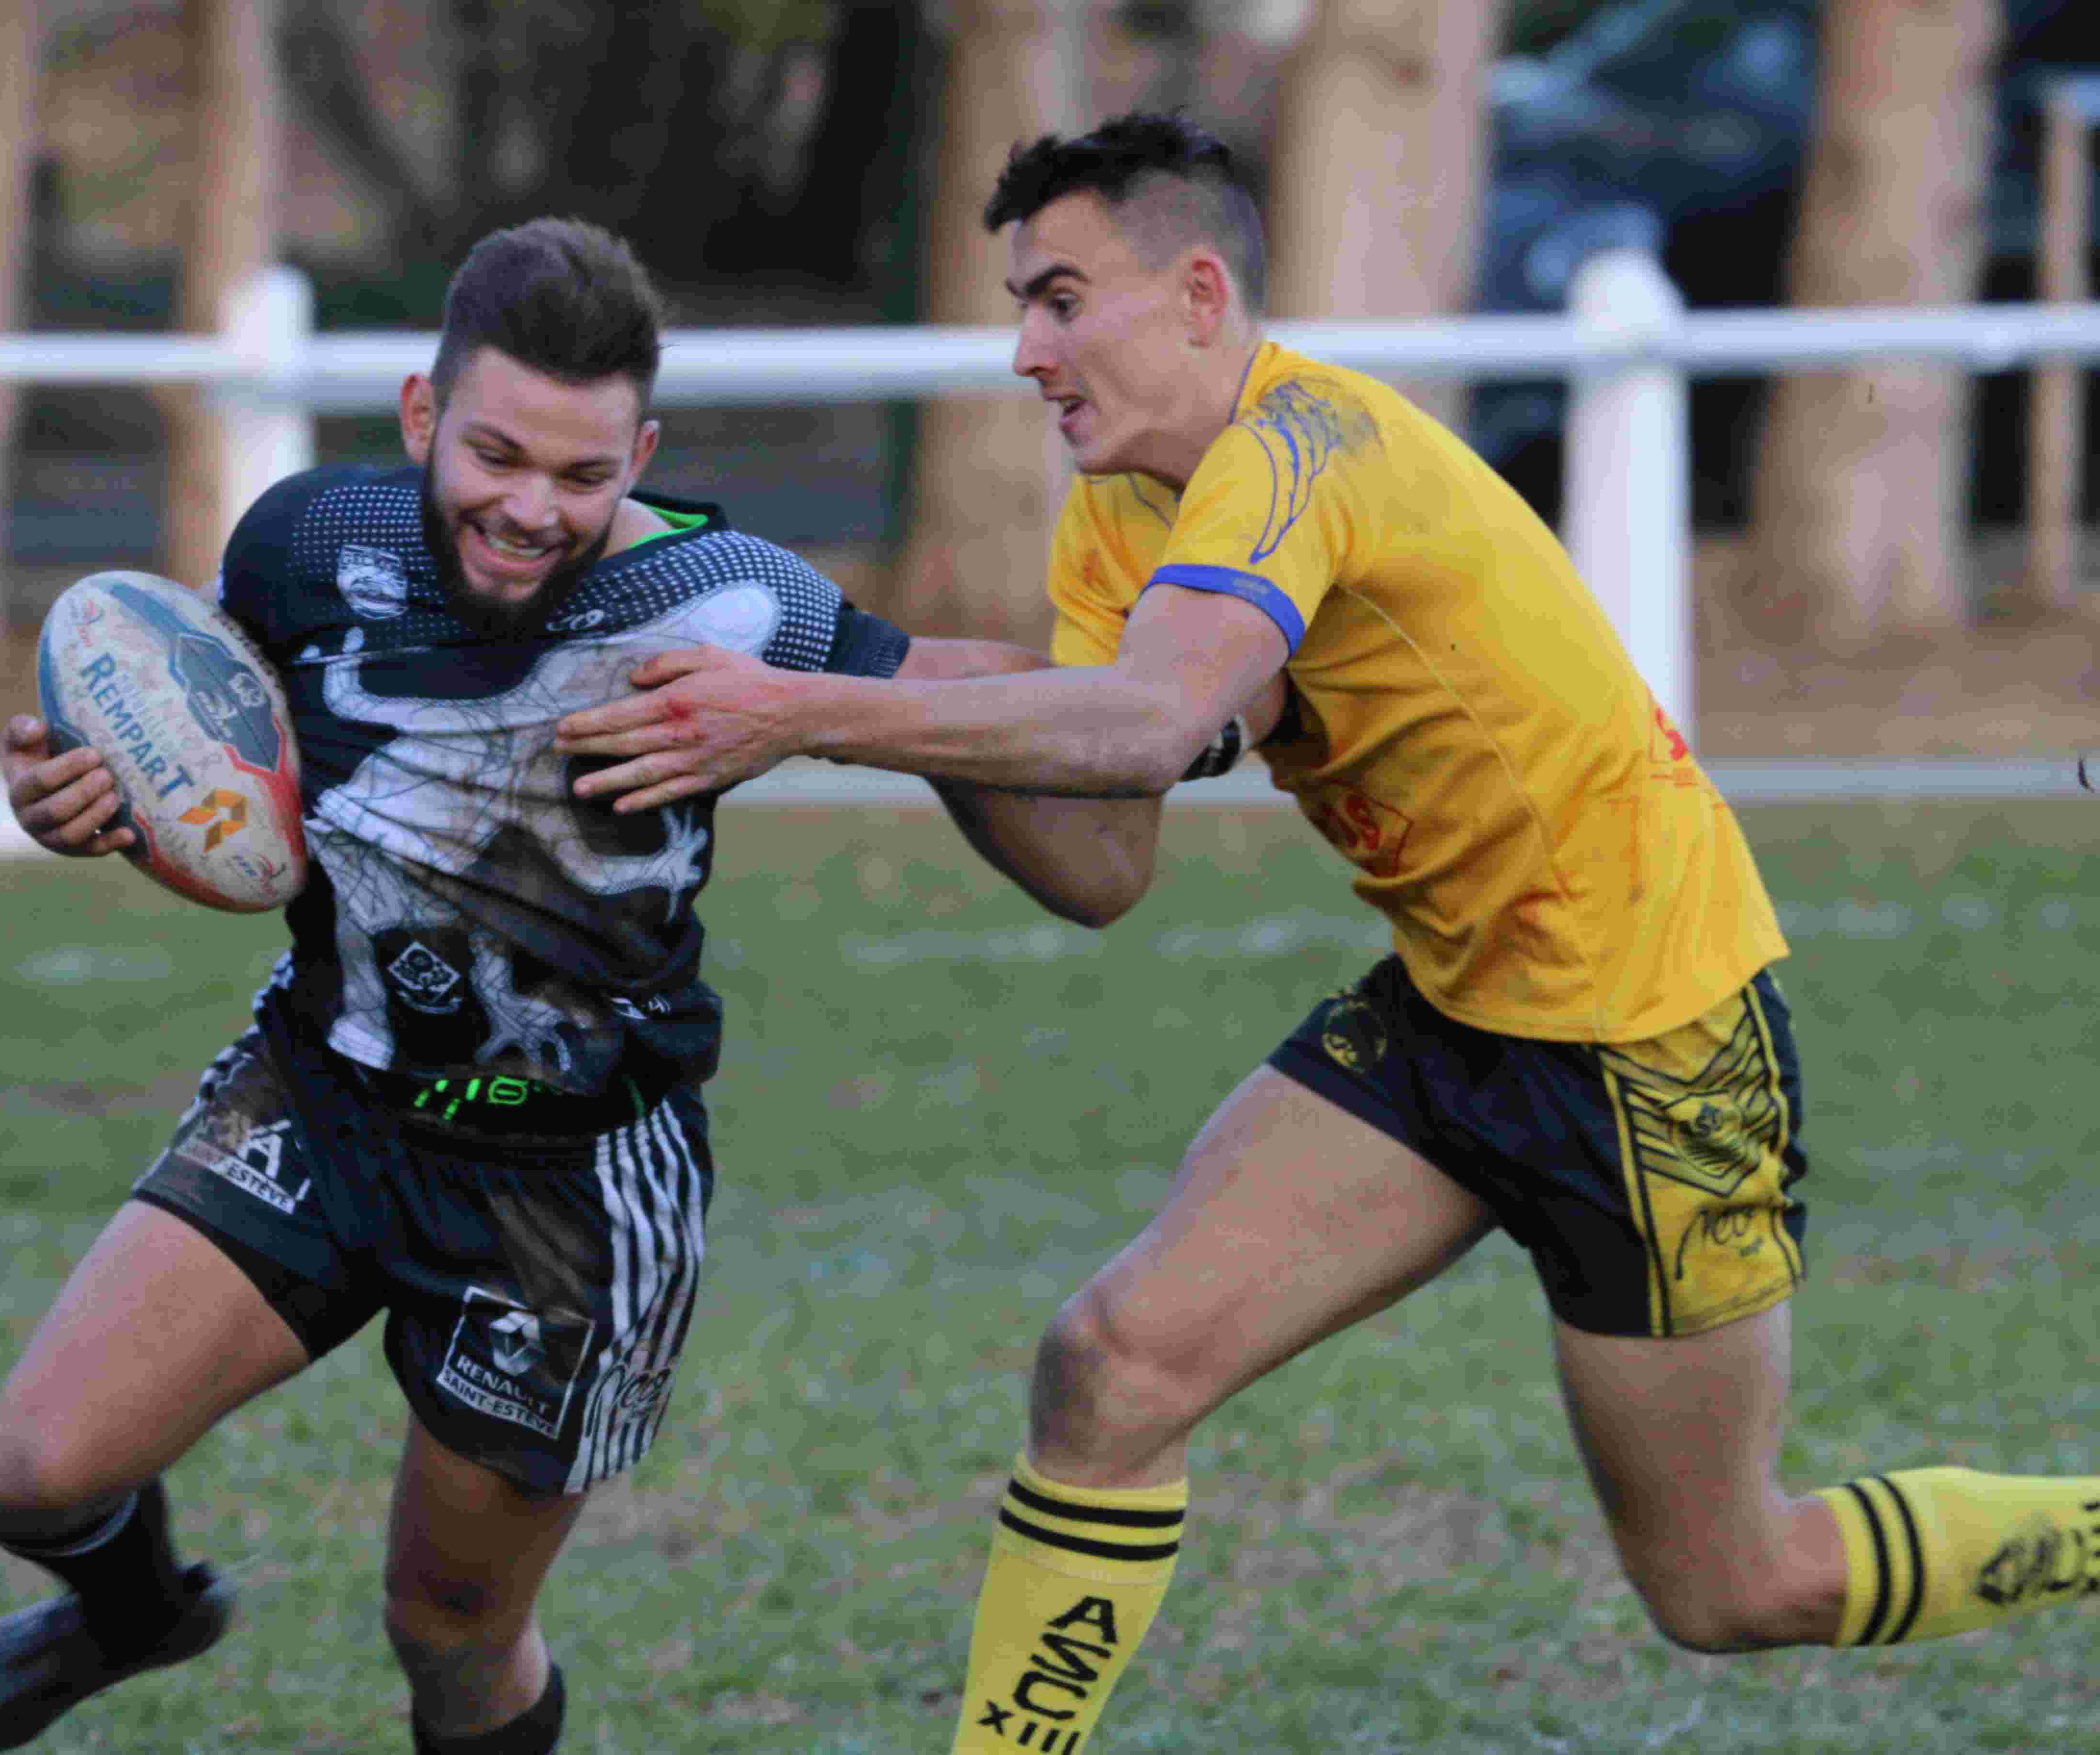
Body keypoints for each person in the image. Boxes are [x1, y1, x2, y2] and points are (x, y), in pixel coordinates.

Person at [554, 113, 2100, 1752]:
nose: (1026, 350)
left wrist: (808, 711)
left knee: (1735, 1585)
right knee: (1110, 1369)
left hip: (1653, 1040)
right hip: (1458, 1015)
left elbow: (1145, 724)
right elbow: (1100, 862)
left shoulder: (1302, 454)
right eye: (1020, 304)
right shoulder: (1124, 511)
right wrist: (859, 658)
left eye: (1064, 298)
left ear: (1199, 292)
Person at [0, 216, 1051, 1755]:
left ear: (640, 452)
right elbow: (218, 769)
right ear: (422, 415)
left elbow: (956, 687)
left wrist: (1165, 718)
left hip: (565, 1186)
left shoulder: (736, 601)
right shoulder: (304, 544)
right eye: (496, 456)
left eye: (584, 477)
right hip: (326, 1094)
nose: (531, 511)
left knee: (448, 1636)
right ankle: (135, 1614)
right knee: (35, 1474)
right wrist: (79, 802)